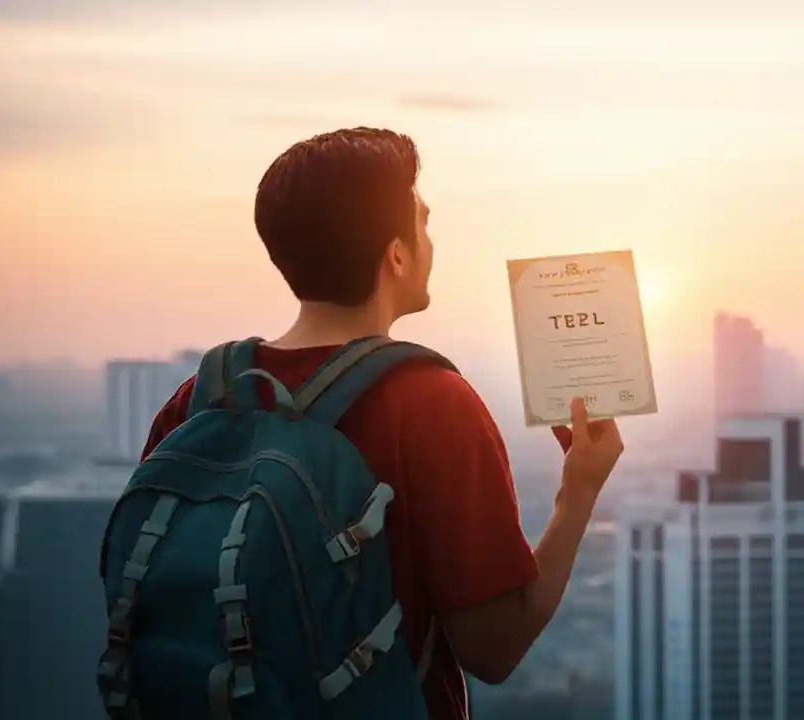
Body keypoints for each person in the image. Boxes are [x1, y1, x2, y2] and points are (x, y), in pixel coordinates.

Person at [140, 127, 624, 719]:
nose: (430, 242)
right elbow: (494, 648)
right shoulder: (432, 404)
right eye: (423, 222)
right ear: (396, 254)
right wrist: (578, 493)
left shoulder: (201, 400)